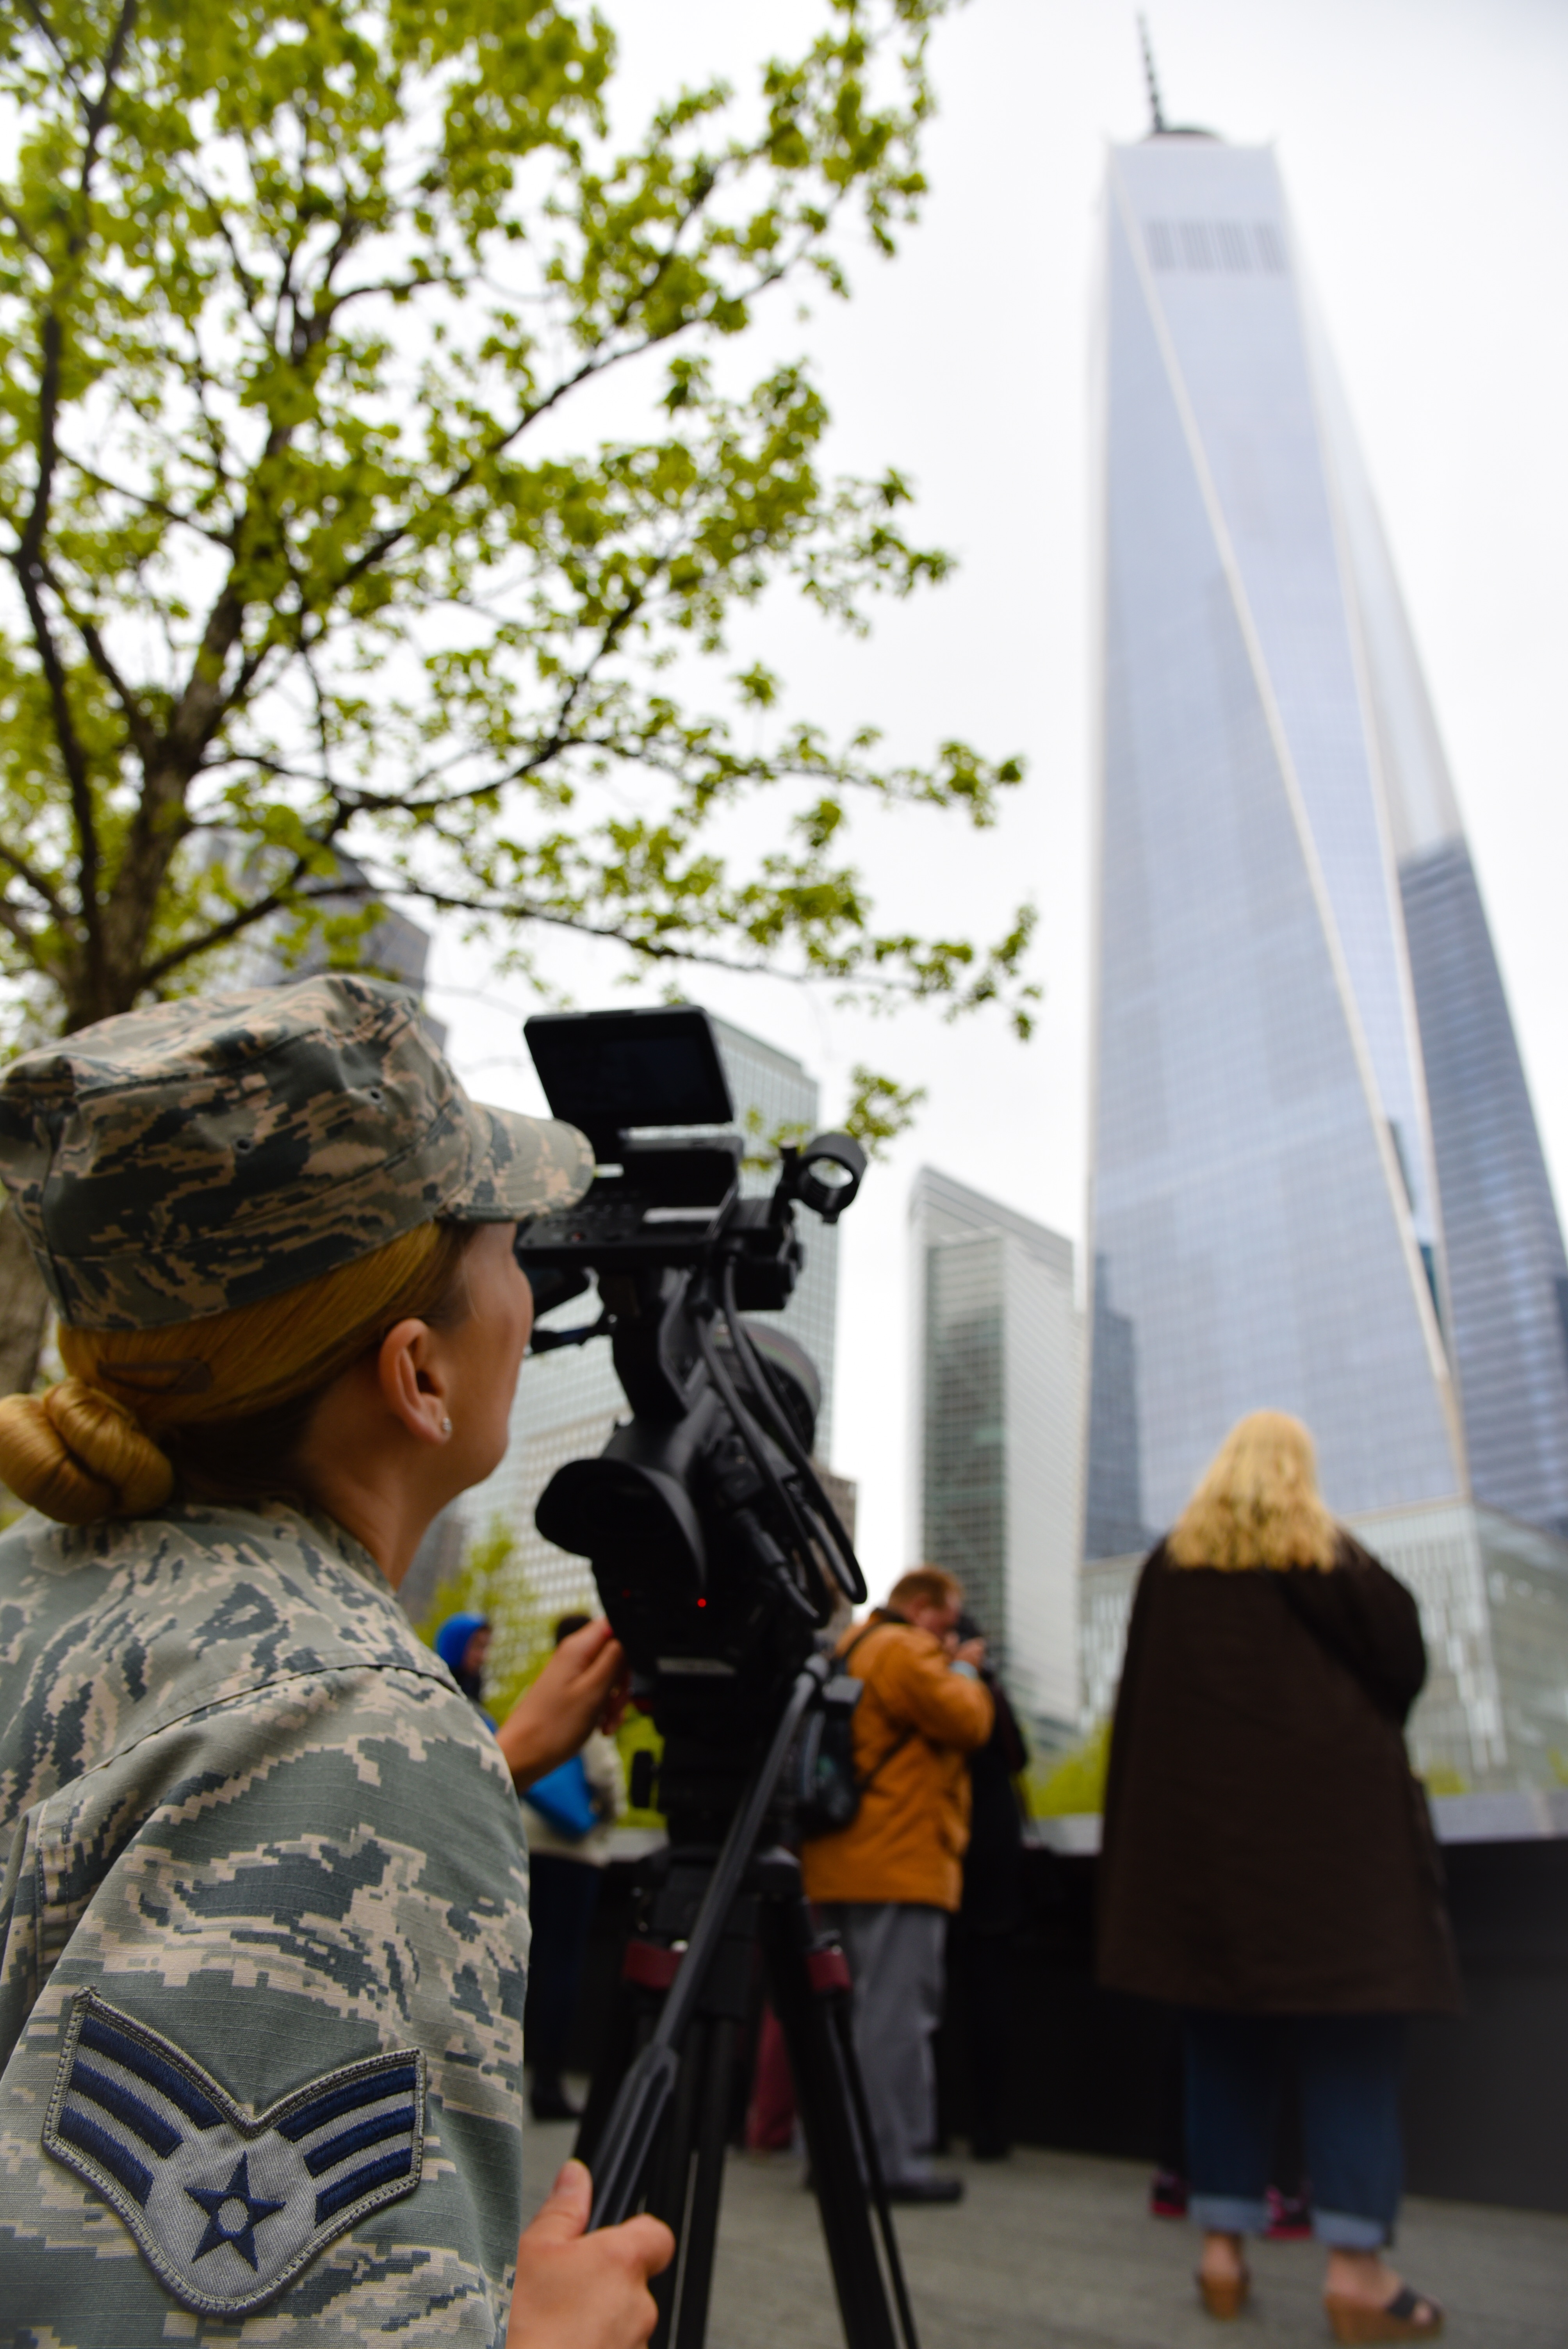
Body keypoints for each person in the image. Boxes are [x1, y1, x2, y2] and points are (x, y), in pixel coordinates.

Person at [0, 975, 672, 2343]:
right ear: (417, 1372)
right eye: (500, 1241)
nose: (531, 1285)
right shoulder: (348, 1718)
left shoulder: (42, 1595)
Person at [1097, 1411, 1460, 2342]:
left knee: (1221, 2043)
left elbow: (1136, 1711)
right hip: (1336, 1864)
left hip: (1208, 1863)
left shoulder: (1166, 1571)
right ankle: (1356, 2272)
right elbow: (1402, 1668)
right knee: (1351, 2047)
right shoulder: (1334, 1559)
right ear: (1300, 1470)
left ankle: (1222, 2252)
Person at [801, 1565, 993, 2204]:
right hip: (899, 1864)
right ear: (920, 1606)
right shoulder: (904, 1647)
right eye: (949, 1620)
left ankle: (827, 2154)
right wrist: (964, 1670)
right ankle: (890, 2163)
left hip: (836, 1858)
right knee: (894, 2019)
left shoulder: (847, 1648)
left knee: (839, 2017)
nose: (951, 1635)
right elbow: (968, 1722)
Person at [524, 1612, 627, 2122]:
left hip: (528, 1841)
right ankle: (548, 2082)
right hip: (574, 1851)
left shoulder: (540, 1689)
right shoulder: (583, 1695)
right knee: (563, 1965)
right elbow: (606, 1776)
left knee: (530, 1960)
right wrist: (610, 1812)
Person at [944, 1609, 1028, 2160]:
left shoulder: (968, 1691)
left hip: (958, 1864)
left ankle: (947, 2124)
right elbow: (1012, 1753)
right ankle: (987, 2127)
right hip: (982, 1866)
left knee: (948, 1998)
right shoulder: (968, 1692)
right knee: (980, 1997)